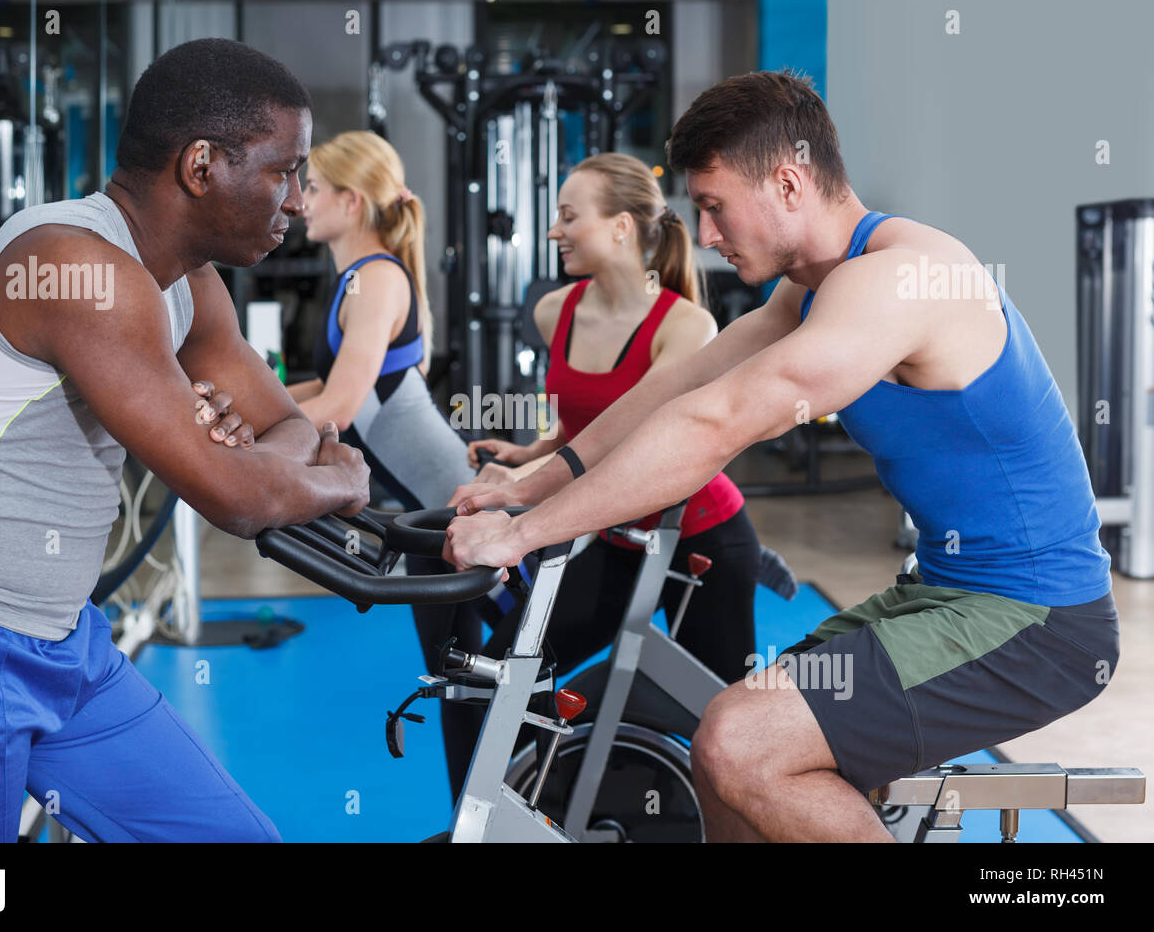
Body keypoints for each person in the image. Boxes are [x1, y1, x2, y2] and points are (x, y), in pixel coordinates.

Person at [444, 70, 1117, 843]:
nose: (704, 237)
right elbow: (677, 388)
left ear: (789, 182)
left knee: (743, 741)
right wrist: (534, 485)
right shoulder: (810, 290)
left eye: (714, 206)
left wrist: (526, 535)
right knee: (721, 739)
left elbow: (714, 421)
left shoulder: (901, 280)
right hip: (942, 594)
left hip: (1038, 620)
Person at [0, 38, 370, 842]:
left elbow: (285, 425)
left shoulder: (187, 281)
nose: (298, 199)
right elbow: (235, 496)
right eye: (284, 170)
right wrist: (342, 479)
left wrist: (268, 455)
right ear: (202, 166)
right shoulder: (76, 268)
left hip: (62, 639)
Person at [466, 152, 762, 690]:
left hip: (702, 538)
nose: (555, 230)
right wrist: (530, 453)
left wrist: (524, 487)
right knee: (497, 676)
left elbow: (633, 439)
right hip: (619, 534)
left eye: (570, 216)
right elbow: (586, 425)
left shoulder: (688, 327)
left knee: (720, 715)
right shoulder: (553, 310)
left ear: (621, 227)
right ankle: (534, 777)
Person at [286, 129, 493, 804]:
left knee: (472, 690)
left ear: (351, 201)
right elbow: (323, 394)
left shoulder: (375, 280)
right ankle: (479, 818)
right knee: (456, 685)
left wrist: (244, 444)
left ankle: (494, 819)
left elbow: (340, 406)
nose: (300, 200)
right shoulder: (358, 277)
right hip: (433, 531)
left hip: (456, 527)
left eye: (312, 188)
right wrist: (231, 406)